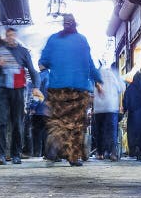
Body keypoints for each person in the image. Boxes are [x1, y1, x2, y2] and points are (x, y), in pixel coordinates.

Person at [39, 14, 103, 167]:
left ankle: (55, 139)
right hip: (79, 89)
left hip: (57, 88)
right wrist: (98, 81)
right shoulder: (82, 40)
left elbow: (43, 62)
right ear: (75, 25)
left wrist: (49, 65)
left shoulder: (53, 39)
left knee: (59, 120)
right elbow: (89, 63)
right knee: (77, 124)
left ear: (63, 25)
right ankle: (73, 157)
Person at [0, 28, 40, 165]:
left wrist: (36, 87)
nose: (10, 38)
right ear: (5, 37)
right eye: (8, 35)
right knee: (1, 123)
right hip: (2, 90)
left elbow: (32, 71)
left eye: (12, 35)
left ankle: (16, 154)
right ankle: (0, 155)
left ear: (15, 36)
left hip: (18, 91)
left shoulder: (23, 52)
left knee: (17, 123)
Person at [93, 62, 124, 161]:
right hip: (111, 106)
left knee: (99, 131)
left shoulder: (96, 74)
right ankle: (113, 153)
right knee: (111, 131)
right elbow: (121, 88)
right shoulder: (112, 74)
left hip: (98, 107)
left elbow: (91, 88)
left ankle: (100, 153)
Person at [122, 71, 141, 161]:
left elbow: (125, 102)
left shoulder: (129, 89)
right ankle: (140, 152)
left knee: (133, 133)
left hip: (133, 115)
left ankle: (134, 150)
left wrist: (124, 110)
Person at [30, 65, 51, 158]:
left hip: (39, 110)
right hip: (49, 110)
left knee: (37, 132)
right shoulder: (51, 76)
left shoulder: (39, 77)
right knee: (47, 133)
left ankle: (37, 152)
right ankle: (46, 153)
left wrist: (33, 107)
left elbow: (36, 94)